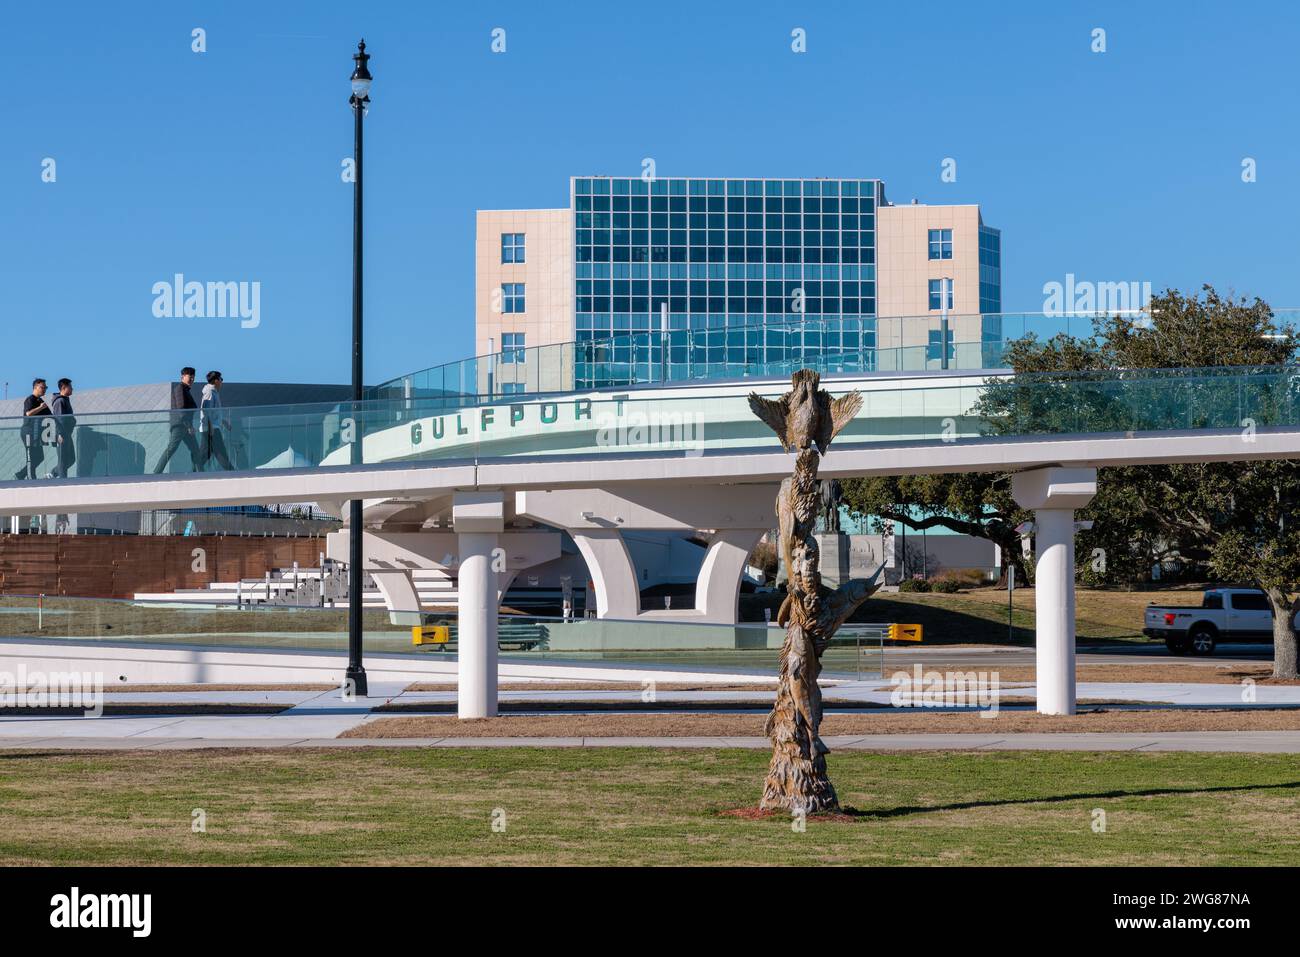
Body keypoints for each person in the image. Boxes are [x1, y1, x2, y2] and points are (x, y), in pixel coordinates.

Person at [153, 366, 201, 473]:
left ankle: (200, 474)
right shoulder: (180, 389)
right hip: (180, 426)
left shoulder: (185, 390)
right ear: (182, 377)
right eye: (190, 377)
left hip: (185, 426)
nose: (192, 380)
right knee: (171, 449)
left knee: (195, 451)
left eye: (193, 377)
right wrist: (189, 426)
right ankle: (156, 473)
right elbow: (181, 409)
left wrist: (189, 426)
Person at [14, 379, 51, 481]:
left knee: (39, 457)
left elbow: (51, 416)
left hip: (37, 433)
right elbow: (28, 414)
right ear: (35, 387)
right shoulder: (30, 399)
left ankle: (21, 475)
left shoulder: (41, 401)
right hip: (28, 432)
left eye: (46, 388)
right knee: (31, 458)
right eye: (42, 387)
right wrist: (40, 408)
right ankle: (31, 479)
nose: (44, 390)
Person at [198, 370, 234, 471]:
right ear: (216, 381)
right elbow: (205, 411)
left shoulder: (213, 392)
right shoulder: (209, 393)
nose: (222, 382)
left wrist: (223, 421)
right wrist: (210, 427)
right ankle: (233, 473)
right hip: (211, 428)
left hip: (211, 427)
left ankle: (194, 471)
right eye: (221, 379)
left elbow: (213, 412)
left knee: (206, 454)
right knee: (220, 453)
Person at [47, 379, 76, 479]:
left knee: (71, 459)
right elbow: (59, 419)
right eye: (70, 387)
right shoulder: (59, 401)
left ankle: (53, 473)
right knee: (63, 461)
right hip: (62, 435)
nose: (72, 388)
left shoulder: (65, 400)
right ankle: (63, 483)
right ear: (64, 388)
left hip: (66, 434)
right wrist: (60, 435)